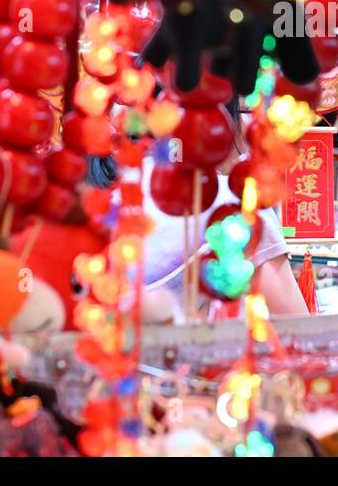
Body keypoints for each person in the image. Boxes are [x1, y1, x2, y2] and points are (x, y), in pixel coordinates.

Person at [85, 102, 309, 322]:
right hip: (197, 355)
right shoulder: (236, 205)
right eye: (244, 111)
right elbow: (299, 331)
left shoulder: (89, 203)